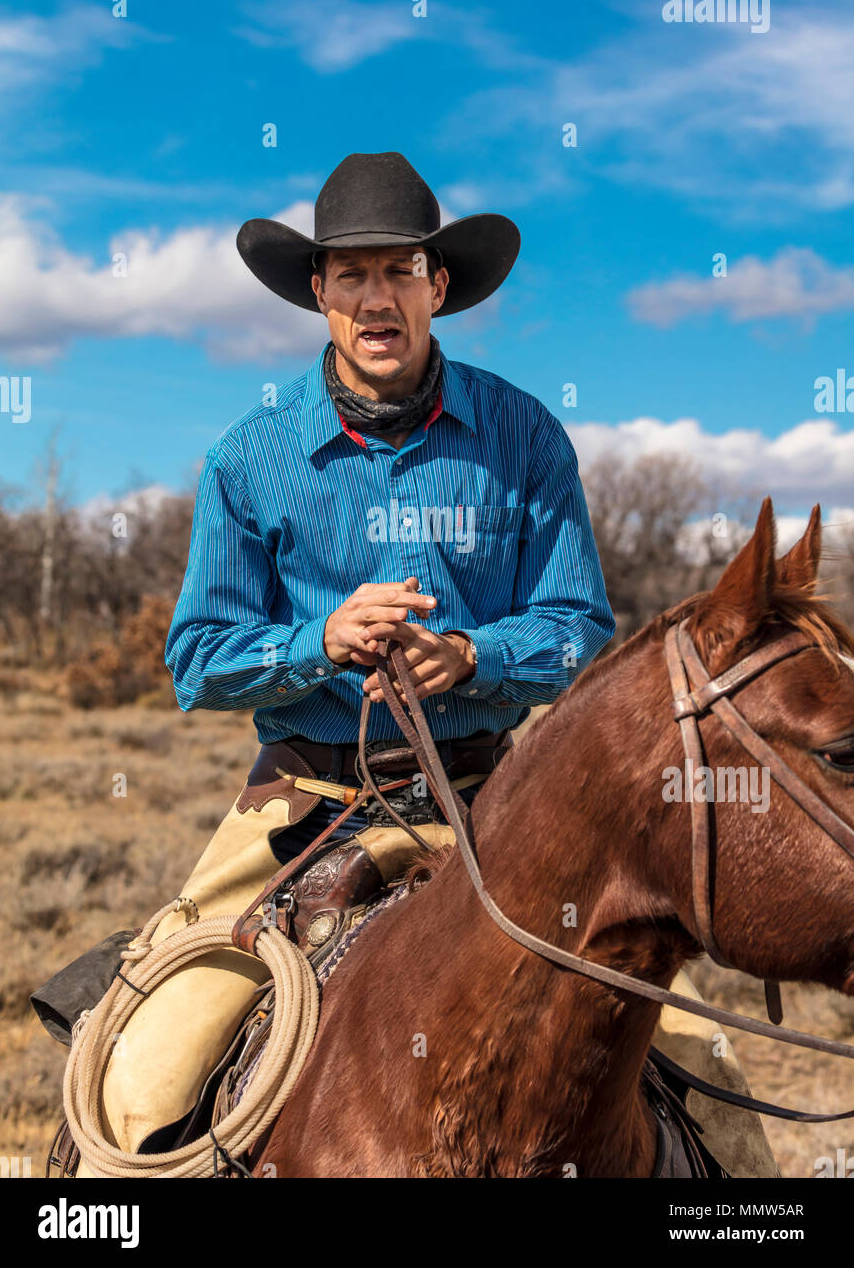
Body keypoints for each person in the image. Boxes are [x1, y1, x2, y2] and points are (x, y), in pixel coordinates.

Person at [76, 149, 614, 1167]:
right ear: (317, 291)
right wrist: (315, 642)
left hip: (491, 797)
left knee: (674, 1049)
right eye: (352, 274)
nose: (378, 297)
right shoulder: (250, 455)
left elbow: (579, 626)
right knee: (146, 1069)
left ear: (437, 286)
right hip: (300, 809)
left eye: (399, 270)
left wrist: (470, 653)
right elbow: (198, 658)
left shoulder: (524, 436)